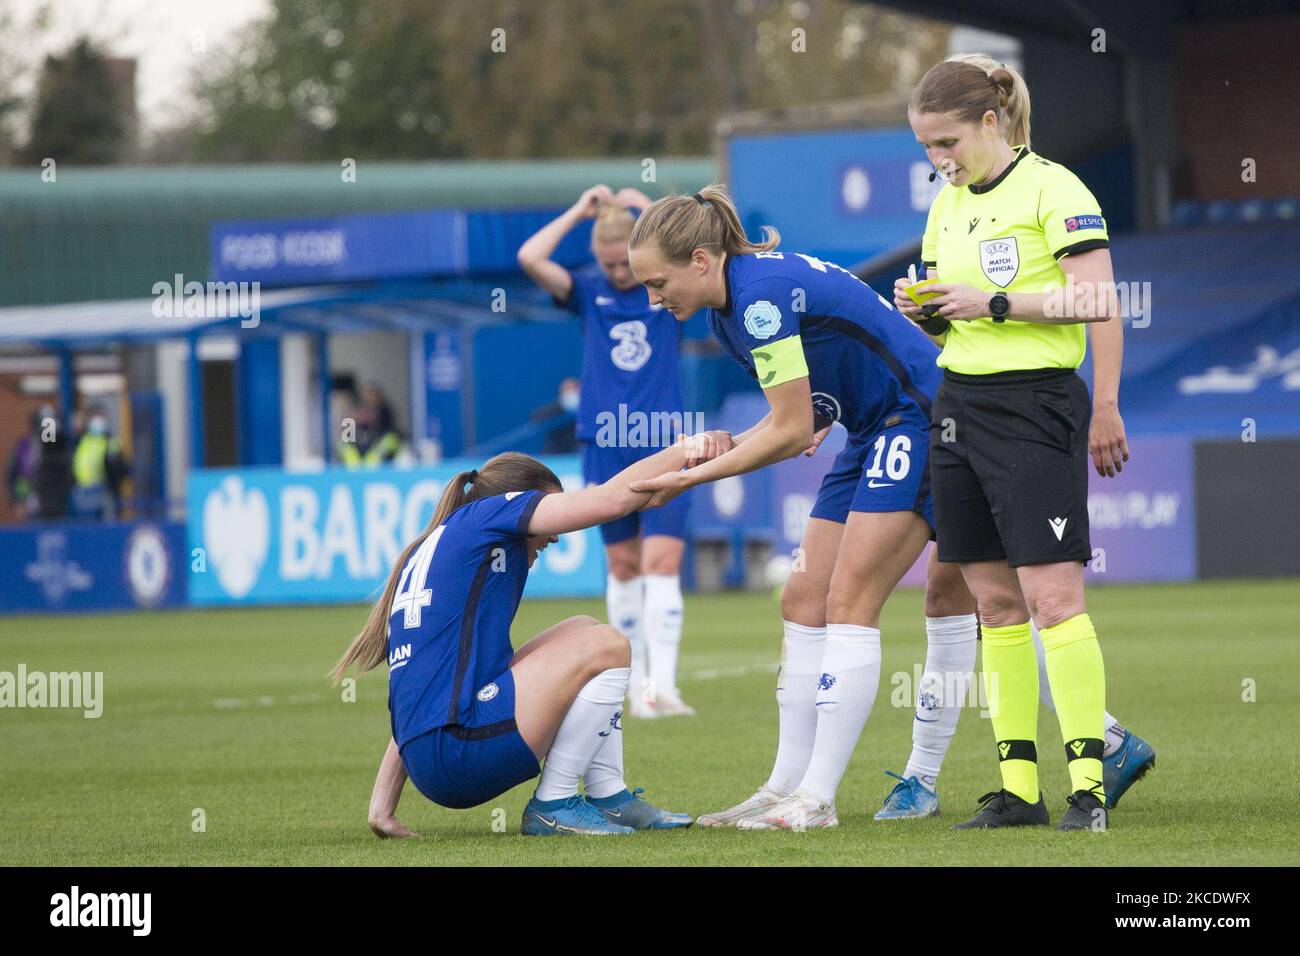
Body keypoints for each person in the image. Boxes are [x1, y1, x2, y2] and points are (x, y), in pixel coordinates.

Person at [627, 183, 980, 829]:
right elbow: (805, 414)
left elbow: (790, 433)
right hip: (872, 427)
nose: (653, 298)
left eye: (657, 282)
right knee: (802, 599)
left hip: (924, 419)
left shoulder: (757, 299)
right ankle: (782, 786)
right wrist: (727, 446)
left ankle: (815, 801)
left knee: (854, 600)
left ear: (701, 261)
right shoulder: (727, 312)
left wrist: (691, 477)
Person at [893, 55, 1151, 829]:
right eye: (925, 146)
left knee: (1052, 600)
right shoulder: (948, 205)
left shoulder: (1056, 188)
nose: (938, 159)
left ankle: (1088, 791)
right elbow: (957, 309)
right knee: (996, 607)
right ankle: (1017, 793)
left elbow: (1098, 298)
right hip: (958, 407)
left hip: (1037, 405)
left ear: (991, 122)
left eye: (946, 141)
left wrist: (1103, 401)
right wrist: (929, 312)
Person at [331, 445, 723, 836]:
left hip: (437, 755)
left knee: (584, 628)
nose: (552, 536)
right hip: (459, 755)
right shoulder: (490, 515)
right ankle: (553, 804)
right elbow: (615, 499)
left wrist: (381, 807)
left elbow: (421, 690)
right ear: (518, 501)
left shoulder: (443, 541)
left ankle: (610, 797)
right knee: (608, 646)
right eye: (548, 511)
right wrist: (691, 448)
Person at [518, 185, 695, 718]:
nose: (620, 272)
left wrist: (650, 212)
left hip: (665, 438)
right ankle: (634, 683)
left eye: (625, 262)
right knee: (622, 566)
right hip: (605, 440)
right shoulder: (587, 291)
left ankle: (664, 685)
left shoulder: (665, 288)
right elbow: (529, 257)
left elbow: (701, 249)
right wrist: (577, 209)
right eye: (609, 263)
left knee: (662, 562)